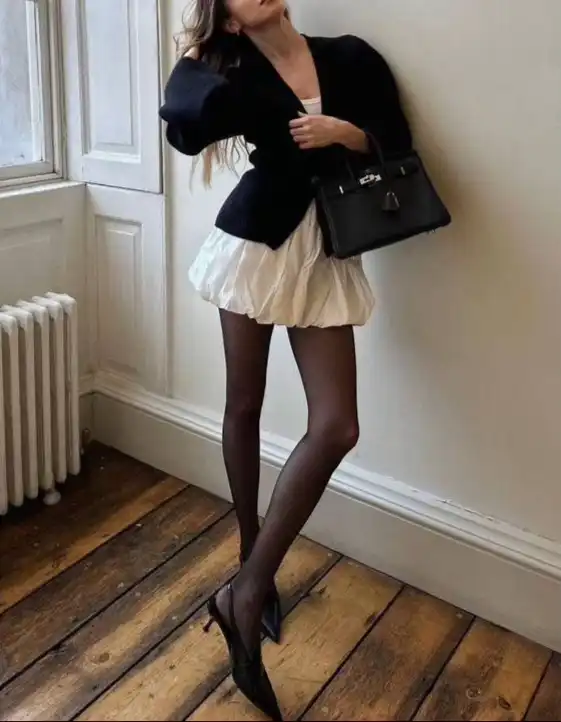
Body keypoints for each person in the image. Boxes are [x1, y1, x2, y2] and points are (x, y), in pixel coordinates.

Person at [159, 1, 412, 717]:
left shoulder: (349, 55)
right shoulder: (234, 71)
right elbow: (183, 128)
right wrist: (199, 56)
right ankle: (253, 565)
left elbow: (398, 143)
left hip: (326, 249)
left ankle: (243, 589)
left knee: (336, 426)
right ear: (231, 20)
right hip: (253, 244)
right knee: (243, 404)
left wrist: (347, 134)